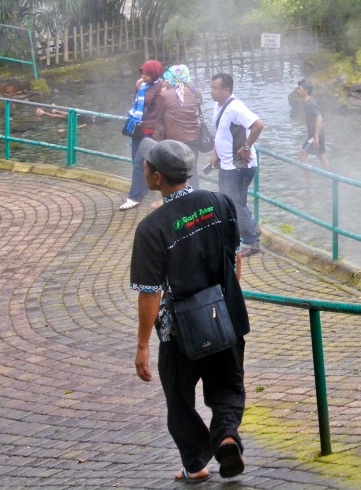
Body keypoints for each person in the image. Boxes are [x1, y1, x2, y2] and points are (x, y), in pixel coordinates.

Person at [129, 137, 249, 482]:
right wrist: (230, 300)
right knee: (227, 387)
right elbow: (235, 254)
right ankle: (227, 436)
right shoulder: (220, 202)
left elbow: (150, 294)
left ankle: (195, 464)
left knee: (180, 400)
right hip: (225, 318)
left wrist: (141, 345)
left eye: (147, 165)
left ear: (155, 178)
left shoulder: (152, 228)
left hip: (179, 331)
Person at [209, 73, 264, 258]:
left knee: (234, 202)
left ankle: (251, 242)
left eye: (215, 88)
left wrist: (246, 147)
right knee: (232, 200)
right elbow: (221, 131)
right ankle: (252, 228)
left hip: (239, 165)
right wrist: (215, 152)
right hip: (226, 163)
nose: (212, 91)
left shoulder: (236, 107)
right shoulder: (217, 105)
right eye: (211, 87)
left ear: (227, 89)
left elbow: (258, 124)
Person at [149, 65, 206, 190]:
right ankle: (194, 199)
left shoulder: (165, 95)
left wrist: (164, 89)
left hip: (175, 141)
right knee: (192, 171)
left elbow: (157, 115)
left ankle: (178, 200)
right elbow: (198, 103)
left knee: (174, 173)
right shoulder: (195, 92)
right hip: (194, 139)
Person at [120, 60, 165, 211]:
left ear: (155, 74)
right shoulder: (141, 85)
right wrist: (138, 86)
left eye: (147, 74)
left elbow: (159, 108)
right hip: (137, 127)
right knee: (135, 161)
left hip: (150, 129)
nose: (144, 77)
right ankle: (144, 189)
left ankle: (134, 197)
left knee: (140, 162)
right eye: (143, 73)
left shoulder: (161, 87)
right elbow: (136, 102)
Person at [295, 79, 328, 168]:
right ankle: (328, 178)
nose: (297, 91)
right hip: (318, 134)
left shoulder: (310, 104)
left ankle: (307, 180)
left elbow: (319, 118)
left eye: (299, 89)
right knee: (320, 155)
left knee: (303, 155)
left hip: (315, 135)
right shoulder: (307, 102)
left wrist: (315, 136)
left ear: (306, 91)